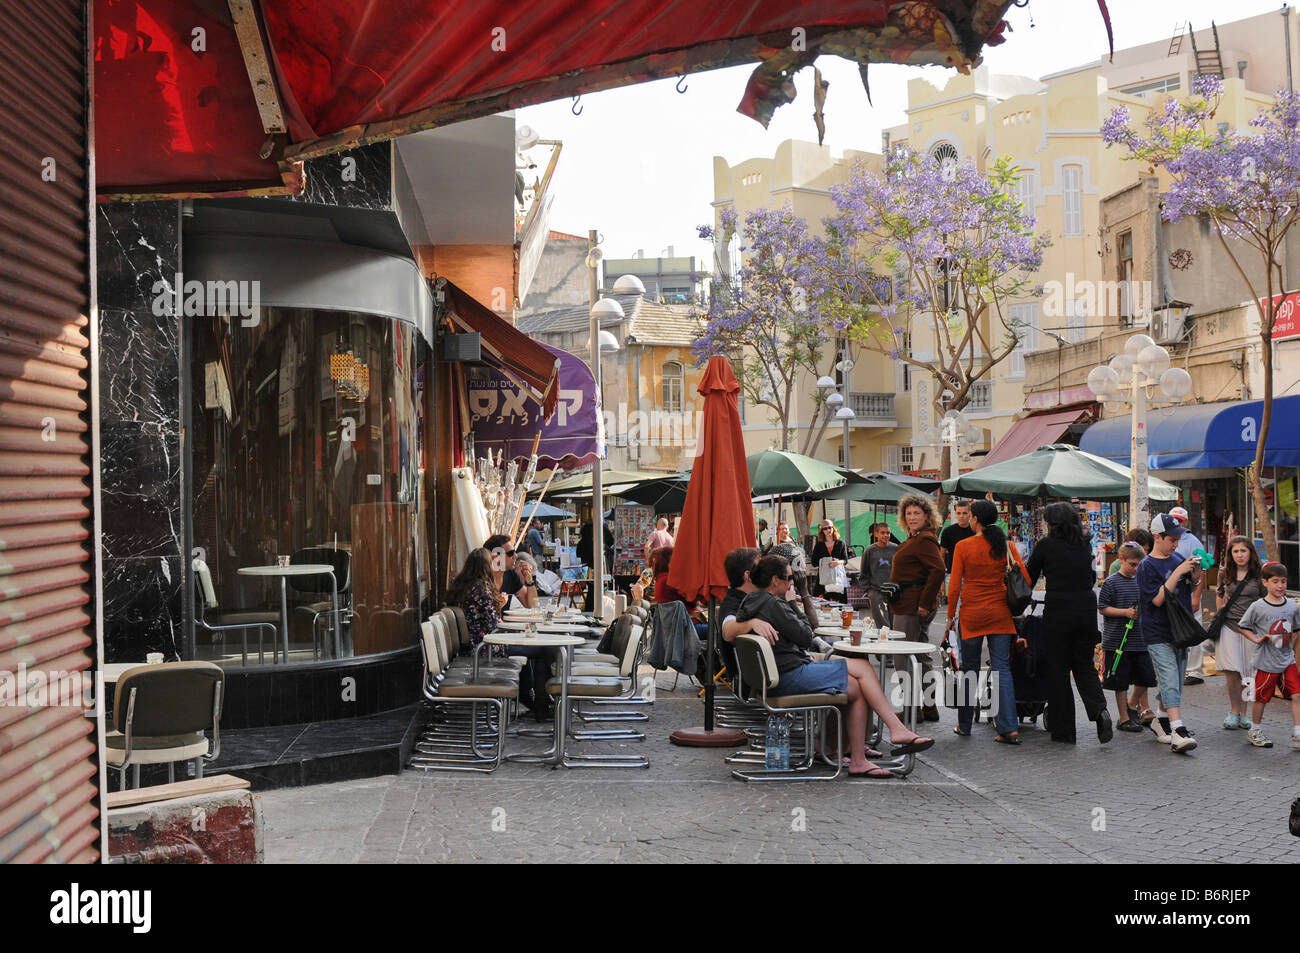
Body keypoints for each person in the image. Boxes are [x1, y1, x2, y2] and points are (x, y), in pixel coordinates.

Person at [734, 554, 934, 777]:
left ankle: (859, 759)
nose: (792, 582)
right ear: (775, 580)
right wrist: (793, 600)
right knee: (864, 667)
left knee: (856, 688)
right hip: (789, 676)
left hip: (775, 677)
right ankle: (895, 730)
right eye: (789, 578)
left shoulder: (751, 601)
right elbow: (806, 635)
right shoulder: (773, 604)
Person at [1026, 501, 1113, 745]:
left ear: (1052, 523)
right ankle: (1100, 710)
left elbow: (1029, 576)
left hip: (1059, 612)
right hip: (1085, 610)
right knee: (1084, 666)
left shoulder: (1046, 545)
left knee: (1059, 670)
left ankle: (1064, 731)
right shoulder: (1084, 545)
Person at [948, 499, 1029, 743]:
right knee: (1002, 669)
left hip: (971, 614)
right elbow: (1023, 575)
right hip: (1000, 613)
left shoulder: (964, 546)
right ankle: (1008, 728)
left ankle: (964, 725)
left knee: (968, 669)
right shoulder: (1005, 545)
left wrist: (951, 614)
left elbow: (953, 587)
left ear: (975, 519)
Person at [1135, 513, 1200, 753]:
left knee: (1175, 682)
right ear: (1157, 537)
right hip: (1157, 631)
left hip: (1182, 630)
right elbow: (1158, 599)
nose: (1175, 544)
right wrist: (1177, 572)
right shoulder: (1146, 566)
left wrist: (1194, 577)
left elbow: (1189, 587)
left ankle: (1160, 720)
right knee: (1170, 678)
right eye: (1171, 539)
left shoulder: (1179, 558)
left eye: (1177, 539)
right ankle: (1178, 729)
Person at [889, 494, 946, 722]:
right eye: (908, 513)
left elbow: (938, 570)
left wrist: (924, 602)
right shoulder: (915, 538)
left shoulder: (924, 539)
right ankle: (928, 707)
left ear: (927, 516)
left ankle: (913, 708)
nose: (912, 517)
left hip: (911, 605)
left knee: (903, 657)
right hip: (908, 603)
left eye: (917, 513)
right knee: (921, 656)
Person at [1236, 562, 1300, 749]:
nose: (1280, 586)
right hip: (1266, 662)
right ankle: (1255, 730)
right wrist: (1256, 639)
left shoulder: (1292, 606)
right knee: (1261, 697)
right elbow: (1242, 626)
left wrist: (1292, 652)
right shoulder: (1258, 607)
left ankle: (1297, 733)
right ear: (1265, 582)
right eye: (1275, 582)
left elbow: (1296, 630)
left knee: (1297, 694)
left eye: (1283, 581)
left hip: (1287, 661)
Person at [1098, 542, 1155, 733]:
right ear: (1121, 560)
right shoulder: (1111, 582)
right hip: (1117, 640)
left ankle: (1132, 705)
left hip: (1141, 639)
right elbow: (1103, 607)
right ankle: (1123, 718)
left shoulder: (1142, 581)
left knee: (1146, 678)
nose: (1136, 569)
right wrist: (1125, 612)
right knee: (1120, 681)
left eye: (1139, 564)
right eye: (1132, 564)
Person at [1214, 535, 1265, 731]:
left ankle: (1245, 713)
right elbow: (1219, 594)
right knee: (1232, 671)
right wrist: (1219, 614)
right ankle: (1234, 711)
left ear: (1250, 552)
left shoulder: (1259, 574)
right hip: (1229, 626)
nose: (1239, 555)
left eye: (1243, 550)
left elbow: (1264, 599)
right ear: (1230, 554)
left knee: (1249, 672)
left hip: (1252, 628)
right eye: (1235, 551)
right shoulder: (1224, 572)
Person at [1167, 506, 1210, 685]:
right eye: (1173, 519)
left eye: (1179, 519)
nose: (1176, 522)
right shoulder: (1167, 539)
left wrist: (1196, 596)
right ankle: (1179, 666)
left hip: (1188, 589)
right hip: (1172, 591)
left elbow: (1203, 570)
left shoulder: (1192, 541)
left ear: (1185, 522)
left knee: (1194, 628)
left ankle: (1195, 671)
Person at [446, 548, 507, 647]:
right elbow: (494, 624)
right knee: (535, 649)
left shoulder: (459, 584)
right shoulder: (480, 588)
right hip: (484, 647)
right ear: (487, 567)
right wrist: (499, 606)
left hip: (466, 646)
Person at [860, 522, 898, 628]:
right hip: (876, 592)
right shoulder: (870, 550)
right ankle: (884, 644)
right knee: (882, 625)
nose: (886, 535)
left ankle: (893, 644)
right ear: (876, 534)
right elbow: (863, 572)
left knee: (895, 624)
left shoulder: (896, 549)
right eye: (882, 533)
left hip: (894, 592)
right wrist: (869, 591)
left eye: (888, 533)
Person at [484, 533, 535, 609]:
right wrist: (498, 607)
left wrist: (530, 581)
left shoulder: (511, 575)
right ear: (496, 557)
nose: (516, 556)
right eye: (511, 553)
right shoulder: (482, 578)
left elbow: (532, 606)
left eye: (515, 551)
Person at [810, 518, 850, 603]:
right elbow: (814, 562)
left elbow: (845, 560)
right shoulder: (819, 545)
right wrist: (825, 561)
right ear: (822, 531)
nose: (828, 530)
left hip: (837, 578)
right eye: (825, 528)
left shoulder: (841, 544)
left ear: (833, 528)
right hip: (823, 579)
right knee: (821, 604)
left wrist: (837, 562)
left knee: (840, 604)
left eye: (830, 527)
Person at [939, 500, 975, 571]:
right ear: (955, 514)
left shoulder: (975, 530)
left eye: (964, 513)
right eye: (959, 513)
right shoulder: (948, 531)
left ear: (970, 514)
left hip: (972, 573)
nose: (961, 516)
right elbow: (941, 555)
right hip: (952, 572)